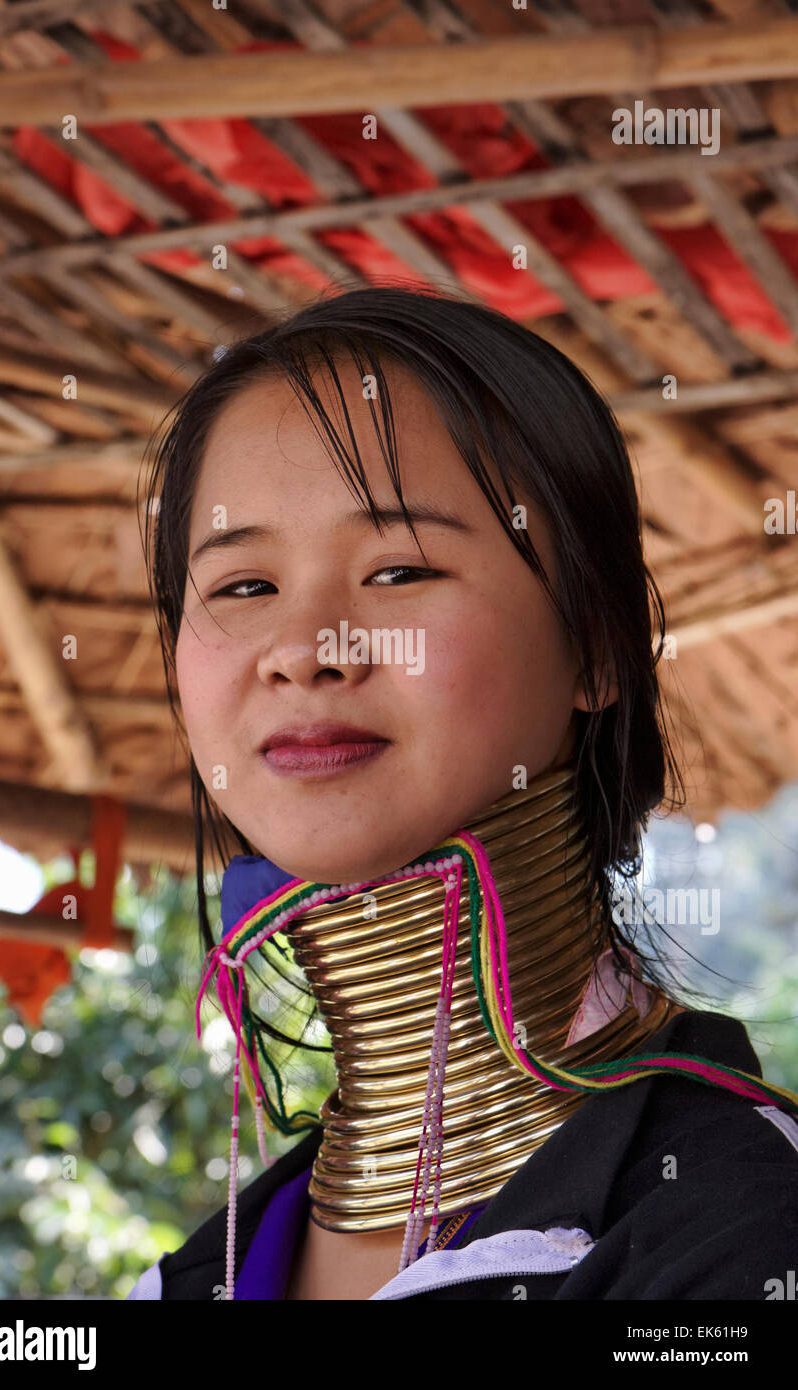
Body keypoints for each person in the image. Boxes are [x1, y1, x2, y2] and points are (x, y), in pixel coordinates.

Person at [127, 286, 798, 1301]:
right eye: (242, 587)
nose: (305, 651)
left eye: (397, 571)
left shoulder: (738, 1223)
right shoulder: (192, 1277)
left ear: (597, 643)